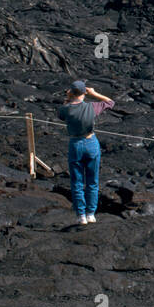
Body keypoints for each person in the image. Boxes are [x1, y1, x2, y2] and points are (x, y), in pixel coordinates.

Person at [57, 81, 115, 226]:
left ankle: (81, 215)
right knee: (92, 182)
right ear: (84, 92)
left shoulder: (66, 109)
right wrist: (94, 93)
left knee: (77, 182)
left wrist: (68, 99)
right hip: (91, 143)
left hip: (75, 144)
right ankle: (91, 214)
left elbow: (61, 113)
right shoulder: (91, 107)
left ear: (71, 92)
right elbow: (110, 102)